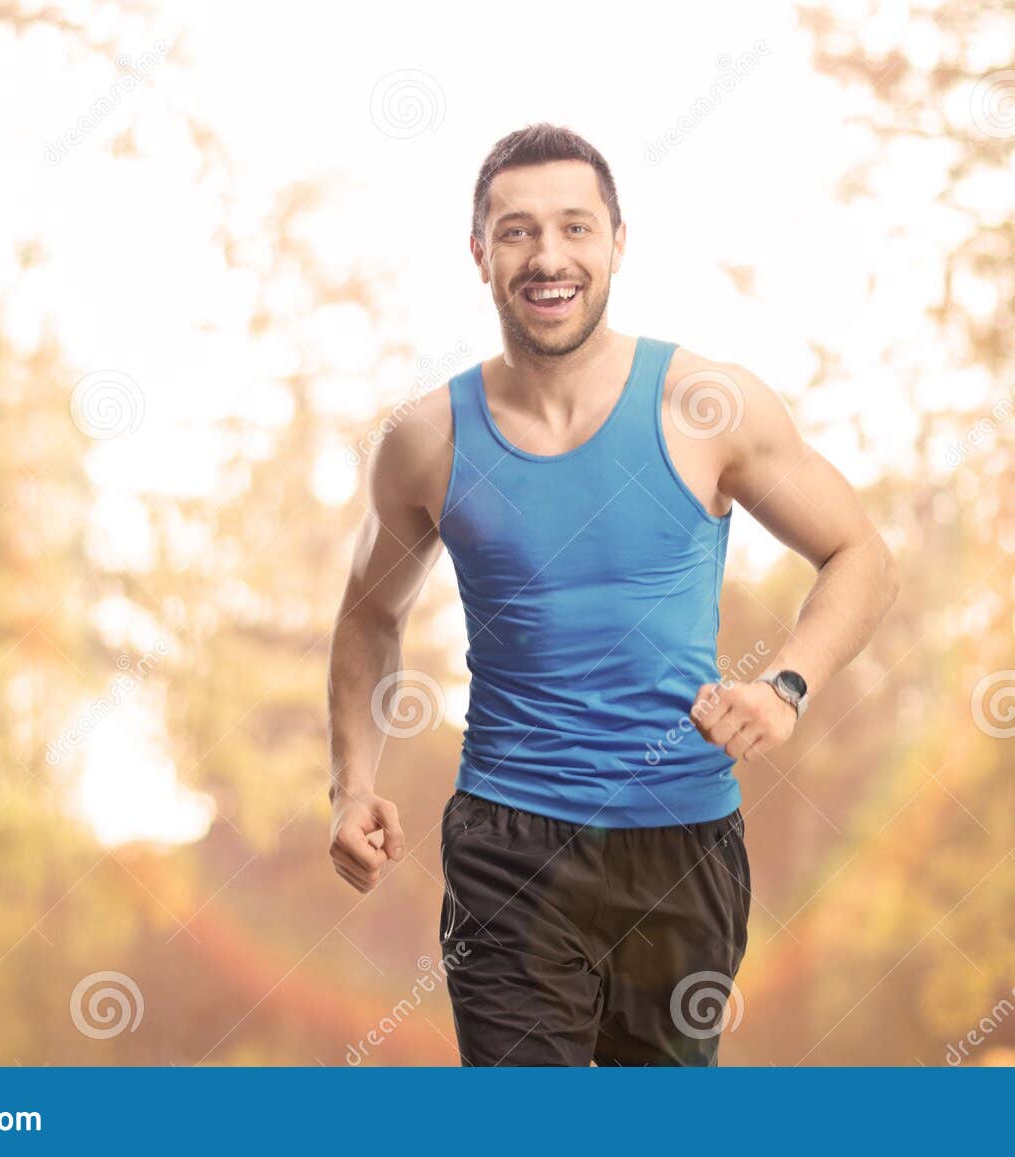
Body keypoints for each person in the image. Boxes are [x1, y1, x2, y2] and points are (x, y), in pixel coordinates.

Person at [326, 123, 899, 1065]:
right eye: (516, 232)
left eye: (574, 228)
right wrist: (353, 786)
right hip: (508, 844)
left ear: (617, 243)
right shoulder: (426, 438)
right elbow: (369, 613)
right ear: (479, 254)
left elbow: (861, 553)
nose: (547, 257)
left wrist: (786, 685)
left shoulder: (707, 406)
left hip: (685, 838)